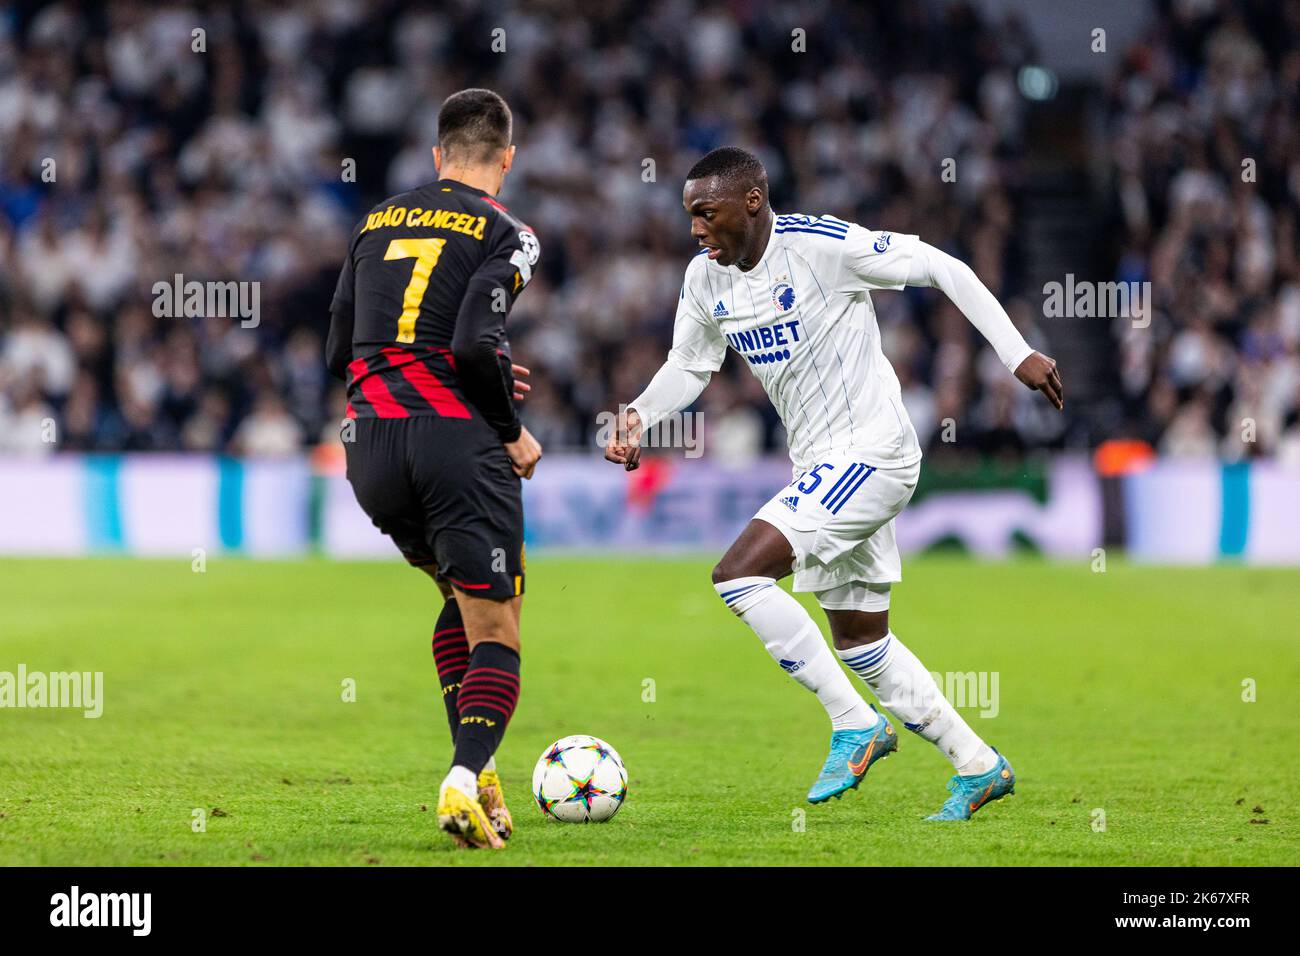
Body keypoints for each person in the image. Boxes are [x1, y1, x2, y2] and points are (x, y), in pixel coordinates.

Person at [605, 147, 1064, 820]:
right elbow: (690, 364)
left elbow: (942, 265)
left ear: (752, 202)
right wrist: (641, 412)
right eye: (689, 217)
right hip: (819, 464)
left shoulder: (823, 246)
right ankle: (978, 764)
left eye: (707, 214)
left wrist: (1015, 351)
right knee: (861, 641)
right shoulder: (706, 280)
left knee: (738, 576)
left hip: (873, 451)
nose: (697, 230)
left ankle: (854, 723)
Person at [326, 88, 543, 849]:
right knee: (500, 627)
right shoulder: (510, 232)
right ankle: (461, 776)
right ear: (506, 159)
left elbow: (337, 350)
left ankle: (479, 775)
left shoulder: (375, 221)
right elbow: (476, 345)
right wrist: (510, 431)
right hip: (455, 444)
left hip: (370, 444)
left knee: (462, 597)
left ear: (435, 154)